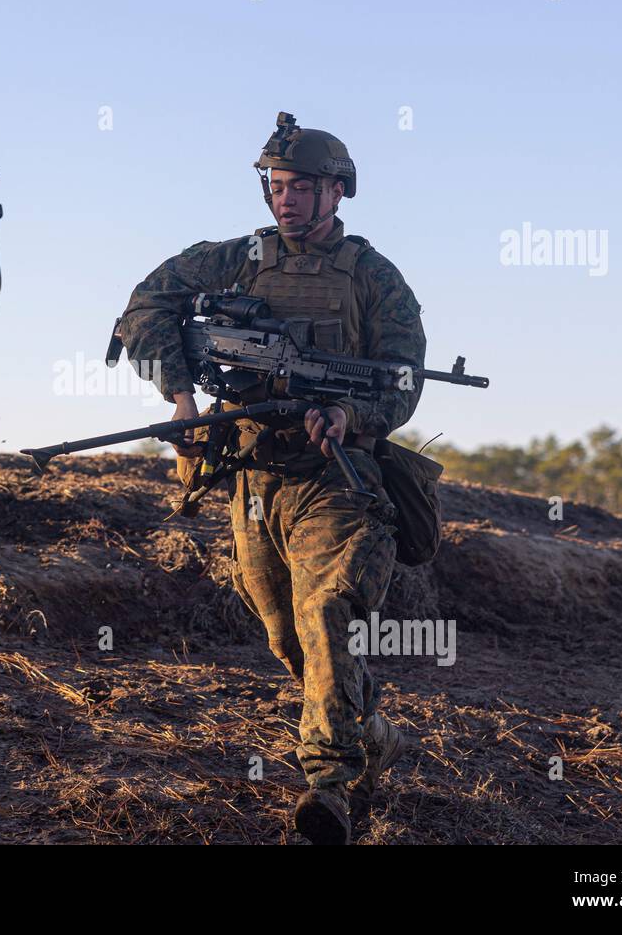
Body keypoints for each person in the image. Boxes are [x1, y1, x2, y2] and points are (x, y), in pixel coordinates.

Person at [116, 113, 425, 843]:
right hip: (253, 478)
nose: (286, 200)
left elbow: (404, 381)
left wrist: (347, 413)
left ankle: (330, 789)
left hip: (337, 483)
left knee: (327, 619)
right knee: (288, 640)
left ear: (337, 193)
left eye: (303, 188)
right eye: (277, 186)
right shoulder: (236, 261)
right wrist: (183, 395)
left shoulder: (374, 278)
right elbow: (145, 304)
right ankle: (370, 729)